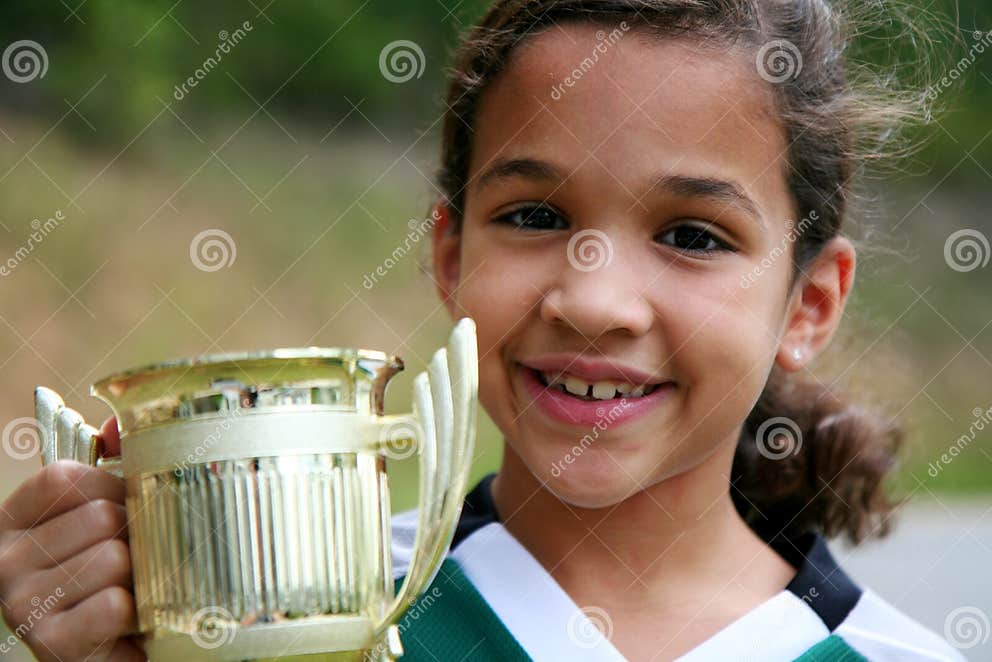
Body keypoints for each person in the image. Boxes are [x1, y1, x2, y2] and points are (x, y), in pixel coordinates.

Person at [0, 0, 967, 660]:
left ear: (810, 304)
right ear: (451, 254)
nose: (593, 301)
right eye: (536, 217)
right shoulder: (302, 611)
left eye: (690, 235)